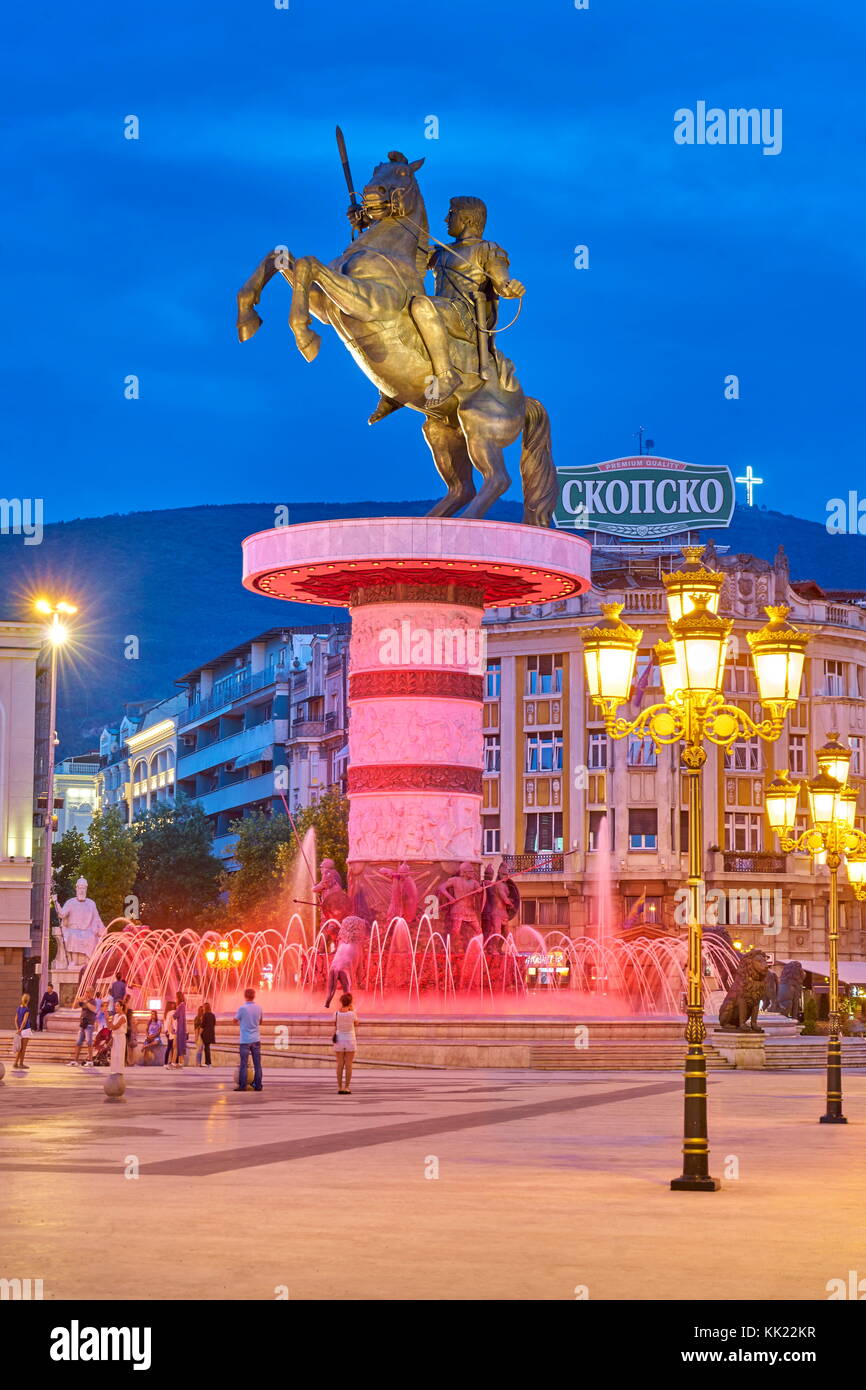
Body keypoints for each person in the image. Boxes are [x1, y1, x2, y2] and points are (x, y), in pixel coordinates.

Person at [234, 987, 263, 1093]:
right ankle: (258, 1085)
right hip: (256, 1039)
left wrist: (242, 1022)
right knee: (257, 1064)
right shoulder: (259, 1008)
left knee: (244, 1064)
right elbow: (260, 1022)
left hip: (245, 1040)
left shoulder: (242, 1008)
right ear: (254, 996)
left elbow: (234, 1020)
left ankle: (242, 1086)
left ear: (245, 996)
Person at [333, 992, 358, 1095]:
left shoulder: (336, 1013)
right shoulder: (352, 1014)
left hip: (339, 1039)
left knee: (339, 1064)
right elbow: (356, 1023)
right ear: (350, 1002)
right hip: (350, 1040)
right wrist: (353, 1009)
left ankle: (339, 1087)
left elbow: (335, 1024)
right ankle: (347, 1087)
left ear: (341, 1002)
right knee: (348, 1064)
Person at [69, 993, 97, 1067]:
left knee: (89, 1042)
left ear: (91, 992)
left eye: (88, 992)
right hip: (83, 1024)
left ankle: (90, 1061)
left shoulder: (93, 1001)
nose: (86, 993)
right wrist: (77, 1000)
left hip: (89, 1024)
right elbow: (74, 1007)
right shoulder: (84, 1001)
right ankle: (75, 1061)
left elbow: (94, 1009)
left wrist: (86, 1002)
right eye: (86, 992)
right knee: (78, 1042)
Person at [108, 995, 128, 1073]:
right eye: (115, 1006)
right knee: (114, 1054)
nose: (115, 1007)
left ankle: (119, 1071)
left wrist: (108, 1021)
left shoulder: (123, 1017)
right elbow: (110, 1027)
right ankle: (114, 1070)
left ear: (122, 1007)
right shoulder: (115, 1016)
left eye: (117, 1006)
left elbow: (115, 1027)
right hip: (115, 1036)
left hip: (120, 1037)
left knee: (119, 1054)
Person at [13, 994, 32, 1070]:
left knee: (19, 1048)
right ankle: (21, 1064)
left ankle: (15, 1063)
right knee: (23, 1049)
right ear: (28, 1000)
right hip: (25, 1030)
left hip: (20, 1030)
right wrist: (21, 1029)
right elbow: (24, 1021)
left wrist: (18, 1029)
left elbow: (15, 1019)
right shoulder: (26, 1009)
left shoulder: (18, 1008)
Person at [198, 1001, 216, 1067]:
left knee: (206, 1048)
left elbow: (202, 1025)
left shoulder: (205, 1015)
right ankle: (208, 1062)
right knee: (207, 1048)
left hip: (205, 1034)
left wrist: (199, 1033)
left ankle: (208, 1063)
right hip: (211, 1033)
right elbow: (214, 1024)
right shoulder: (213, 1015)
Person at [173, 991, 187, 1068]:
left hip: (180, 1028)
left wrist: (171, 1013)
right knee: (181, 1045)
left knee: (179, 1044)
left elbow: (175, 1015)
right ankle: (181, 1062)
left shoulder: (181, 1006)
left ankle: (180, 1063)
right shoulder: (183, 1005)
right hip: (182, 1027)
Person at [163, 999, 176, 1067]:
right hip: (170, 1032)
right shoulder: (171, 1013)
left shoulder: (166, 1013)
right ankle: (168, 1062)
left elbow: (165, 1023)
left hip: (167, 1032)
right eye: (172, 1004)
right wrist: (171, 1030)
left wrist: (166, 1031)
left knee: (170, 1047)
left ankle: (168, 1062)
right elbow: (169, 1023)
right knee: (172, 1047)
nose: (174, 1005)